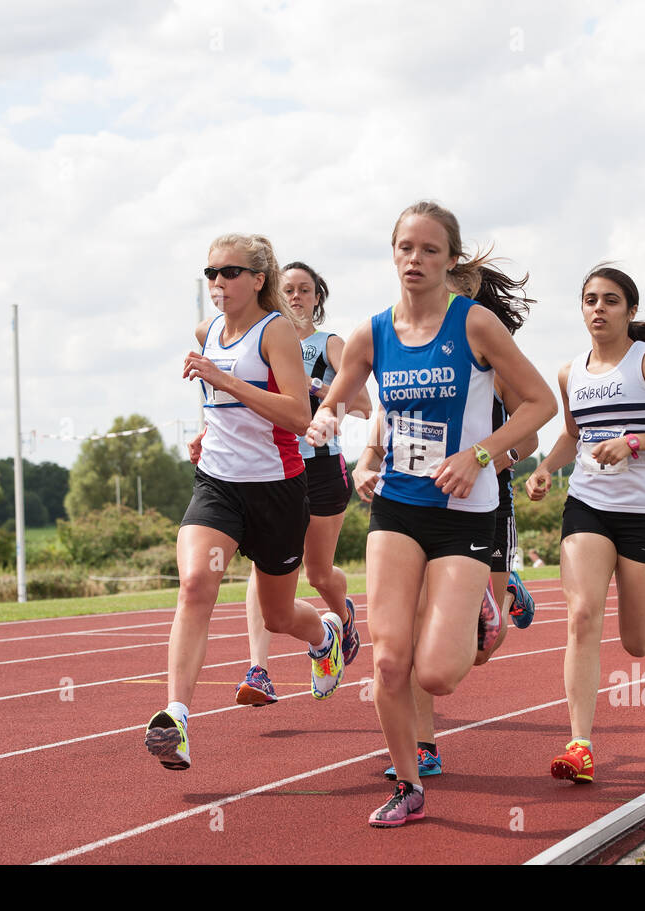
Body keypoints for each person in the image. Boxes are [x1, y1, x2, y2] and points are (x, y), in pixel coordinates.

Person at [307, 201, 555, 827]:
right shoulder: (371, 333)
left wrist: (481, 455)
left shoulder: (474, 326)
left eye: (430, 250)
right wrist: (327, 419)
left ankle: (482, 604)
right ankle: (409, 784)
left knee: (440, 673)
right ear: (393, 255)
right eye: (406, 249)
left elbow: (540, 404)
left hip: (467, 512)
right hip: (398, 508)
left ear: (450, 260)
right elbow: (338, 398)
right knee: (391, 661)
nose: (415, 260)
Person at [144, 234, 346, 772]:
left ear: (258, 279)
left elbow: (300, 416)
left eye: (229, 272)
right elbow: (220, 405)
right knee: (194, 585)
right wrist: (206, 432)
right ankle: (177, 718)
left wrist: (225, 381)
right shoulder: (207, 330)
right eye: (210, 273)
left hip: (277, 489)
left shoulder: (274, 332)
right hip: (218, 487)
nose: (217, 283)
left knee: (279, 616)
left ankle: (323, 634)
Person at [352, 262, 540, 782]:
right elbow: (383, 425)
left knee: (477, 655)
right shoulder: (400, 353)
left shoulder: (489, 358)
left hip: (480, 505)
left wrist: (479, 462)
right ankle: (424, 744)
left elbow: (532, 437)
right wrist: (366, 465)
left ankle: (501, 598)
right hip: (410, 505)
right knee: (406, 629)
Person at [526, 265, 645, 784]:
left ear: (630, 310)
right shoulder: (570, 374)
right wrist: (543, 468)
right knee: (582, 615)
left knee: (638, 644)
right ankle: (581, 743)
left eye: (610, 300)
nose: (598, 309)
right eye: (590, 300)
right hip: (588, 506)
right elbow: (571, 435)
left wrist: (636, 442)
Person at [232, 261, 373, 706]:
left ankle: (342, 616)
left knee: (318, 574)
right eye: (287, 289)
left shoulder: (328, 344)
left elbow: (365, 404)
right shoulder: (260, 338)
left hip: (320, 469)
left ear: (317, 297)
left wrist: (319, 392)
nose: (294, 297)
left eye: (304, 290)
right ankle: (260, 669)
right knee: (264, 563)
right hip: (270, 465)